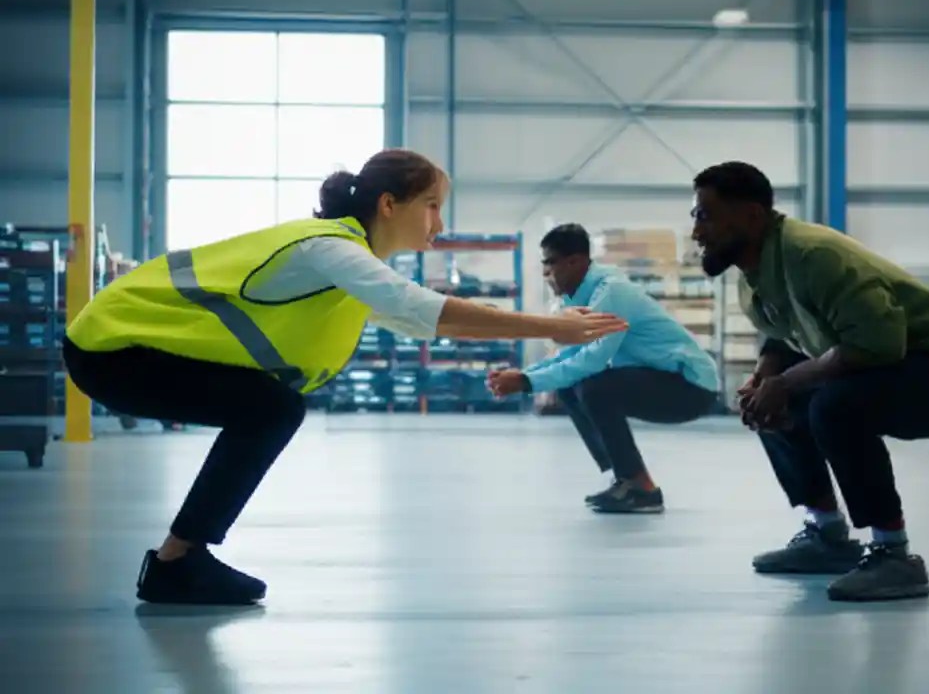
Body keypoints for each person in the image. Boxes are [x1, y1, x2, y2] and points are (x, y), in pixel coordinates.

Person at [62, 149, 627, 606]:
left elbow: (414, 317)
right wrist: (548, 326)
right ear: (389, 204)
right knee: (271, 410)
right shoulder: (330, 248)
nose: (440, 222)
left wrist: (546, 324)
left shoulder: (350, 261)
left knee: (269, 408)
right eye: (431, 205)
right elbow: (421, 305)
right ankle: (178, 563)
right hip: (112, 349)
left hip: (115, 350)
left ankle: (178, 562)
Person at [689, 161, 929, 602]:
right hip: (894, 363)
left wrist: (787, 381)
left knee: (834, 406)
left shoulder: (813, 256)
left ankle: (895, 555)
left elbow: (881, 344)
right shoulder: (755, 271)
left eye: (706, 215)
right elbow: (785, 333)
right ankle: (828, 535)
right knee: (773, 405)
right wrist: (766, 377)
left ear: (752, 216)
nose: (697, 232)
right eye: (694, 217)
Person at [487, 223, 720, 513]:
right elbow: (572, 354)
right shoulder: (586, 297)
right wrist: (527, 376)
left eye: (550, 264)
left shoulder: (611, 293)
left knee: (595, 385)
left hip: (692, 386)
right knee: (572, 384)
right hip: (667, 379)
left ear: (575, 262)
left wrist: (526, 381)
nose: (546, 274)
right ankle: (624, 478)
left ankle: (641, 488)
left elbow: (592, 360)